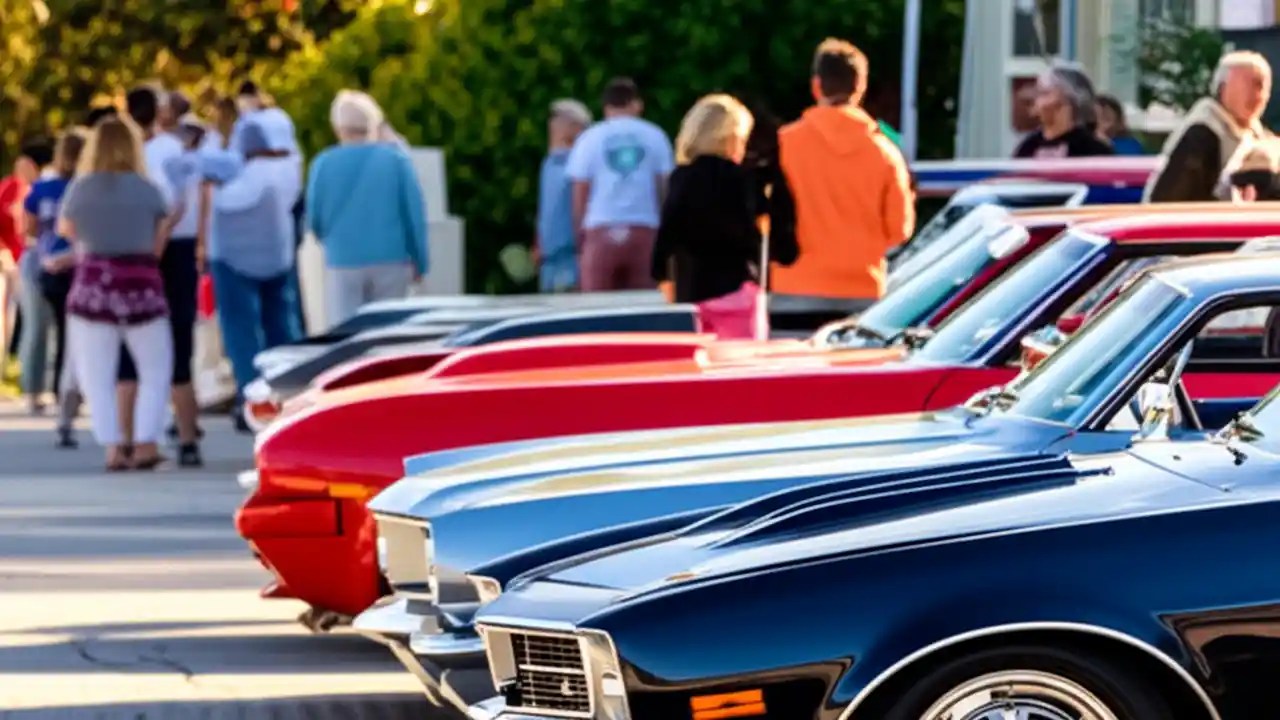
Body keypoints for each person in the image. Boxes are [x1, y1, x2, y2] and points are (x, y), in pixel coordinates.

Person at [770, 38, 914, 326]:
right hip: (862, 293)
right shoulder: (884, 152)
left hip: (794, 288)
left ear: (816, 85)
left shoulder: (784, 145)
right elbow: (900, 230)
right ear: (860, 88)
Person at [58, 117, 173, 471]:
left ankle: (112, 447)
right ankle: (144, 442)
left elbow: (67, 230)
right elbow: (157, 246)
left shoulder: (81, 189)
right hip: (141, 286)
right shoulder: (147, 188)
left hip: (93, 288)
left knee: (97, 376)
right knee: (155, 370)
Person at [206, 120, 304, 432]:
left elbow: (222, 201)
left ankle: (252, 401)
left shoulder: (237, 179)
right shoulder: (286, 170)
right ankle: (291, 396)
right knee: (282, 329)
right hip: (277, 259)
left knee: (241, 332)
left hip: (233, 263)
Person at [117, 86, 197, 463]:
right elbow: (177, 204)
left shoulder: (120, 157)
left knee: (131, 345)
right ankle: (186, 436)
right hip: (173, 247)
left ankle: (126, 440)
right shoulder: (170, 149)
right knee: (178, 341)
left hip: (133, 251)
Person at [305, 90, 427, 328]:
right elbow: (414, 215)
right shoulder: (397, 161)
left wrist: (330, 241)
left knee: (346, 335)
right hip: (392, 260)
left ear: (338, 126)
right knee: (389, 334)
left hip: (343, 260)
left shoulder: (323, 164)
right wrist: (420, 261)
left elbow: (315, 218)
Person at [652, 94, 767, 339]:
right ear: (732, 137)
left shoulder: (681, 179)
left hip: (693, 298)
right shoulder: (742, 179)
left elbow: (666, 238)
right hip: (736, 293)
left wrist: (664, 279)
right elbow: (752, 239)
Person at [566, 77, 675, 291]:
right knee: (643, 308)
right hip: (644, 227)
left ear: (606, 106)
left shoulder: (590, 138)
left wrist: (579, 233)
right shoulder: (654, 135)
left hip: (601, 227)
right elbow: (663, 186)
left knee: (596, 309)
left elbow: (580, 190)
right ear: (636, 104)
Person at [23, 129, 86, 446]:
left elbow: (29, 227)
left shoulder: (43, 188)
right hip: (80, 267)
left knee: (39, 329)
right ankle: (67, 398)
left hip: (45, 264)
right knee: (70, 336)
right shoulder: (86, 188)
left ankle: (35, 390)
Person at [1145, 51, 1272, 203]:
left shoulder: (1257, 136)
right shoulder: (1202, 134)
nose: (1259, 95)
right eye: (1251, 84)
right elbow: (1171, 201)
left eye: (1263, 86)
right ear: (1223, 88)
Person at [0, 141, 51, 382]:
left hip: (29, 260)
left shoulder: (39, 189)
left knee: (24, 321)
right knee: (7, 319)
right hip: (10, 261)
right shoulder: (8, 188)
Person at [536, 99, 592, 293]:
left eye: (559, 120)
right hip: (548, 262)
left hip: (572, 259)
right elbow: (546, 208)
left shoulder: (582, 163)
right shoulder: (549, 163)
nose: (553, 125)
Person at [1013, 64, 1114, 158]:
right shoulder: (1028, 147)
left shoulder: (1093, 150)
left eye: (1044, 93)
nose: (1036, 100)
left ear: (1067, 99)